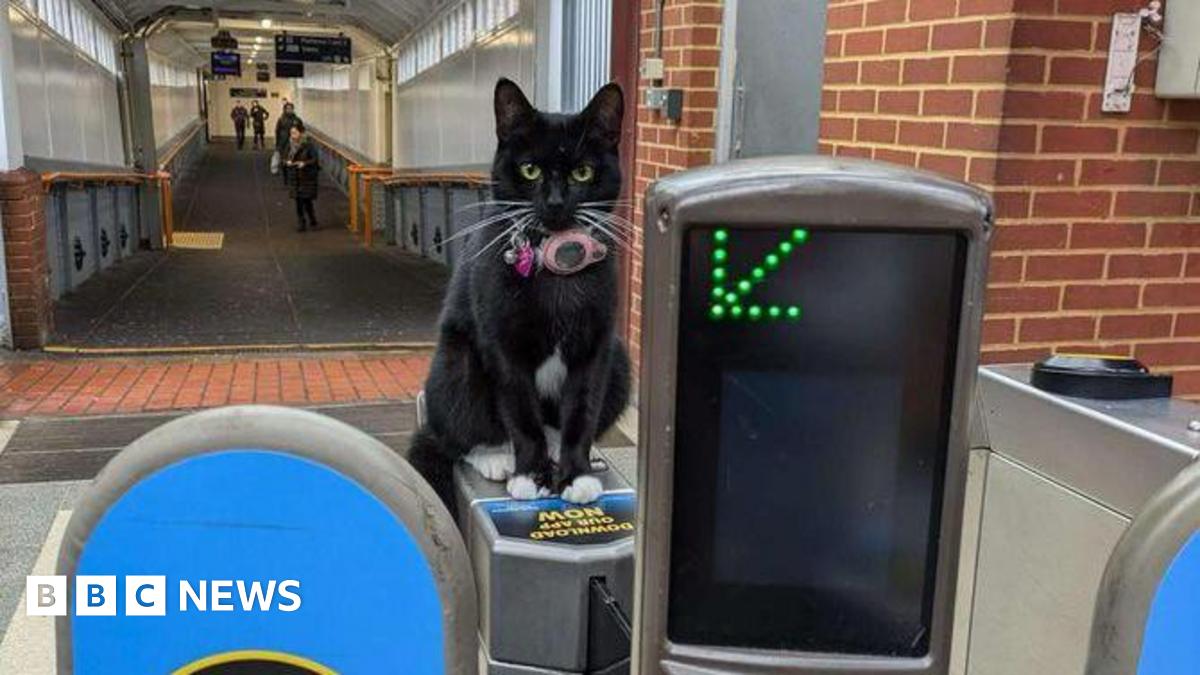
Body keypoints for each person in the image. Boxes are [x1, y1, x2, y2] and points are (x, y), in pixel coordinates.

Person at [286, 121, 320, 232]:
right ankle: (301, 222)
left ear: (301, 133)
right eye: (291, 133)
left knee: (307, 200)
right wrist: (287, 162)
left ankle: (312, 219)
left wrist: (304, 163)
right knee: (298, 201)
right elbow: (285, 157)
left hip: (306, 177)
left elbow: (315, 159)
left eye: (295, 133)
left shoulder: (308, 145)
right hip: (295, 177)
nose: (292, 135)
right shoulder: (290, 145)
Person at [275, 102, 301, 183]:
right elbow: (277, 131)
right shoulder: (281, 119)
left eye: (291, 109)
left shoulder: (297, 120)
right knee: (284, 161)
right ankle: (285, 178)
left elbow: (301, 130)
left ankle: (294, 178)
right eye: (288, 109)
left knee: (295, 159)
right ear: (285, 110)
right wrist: (277, 144)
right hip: (284, 143)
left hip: (294, 143)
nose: (289, 110)